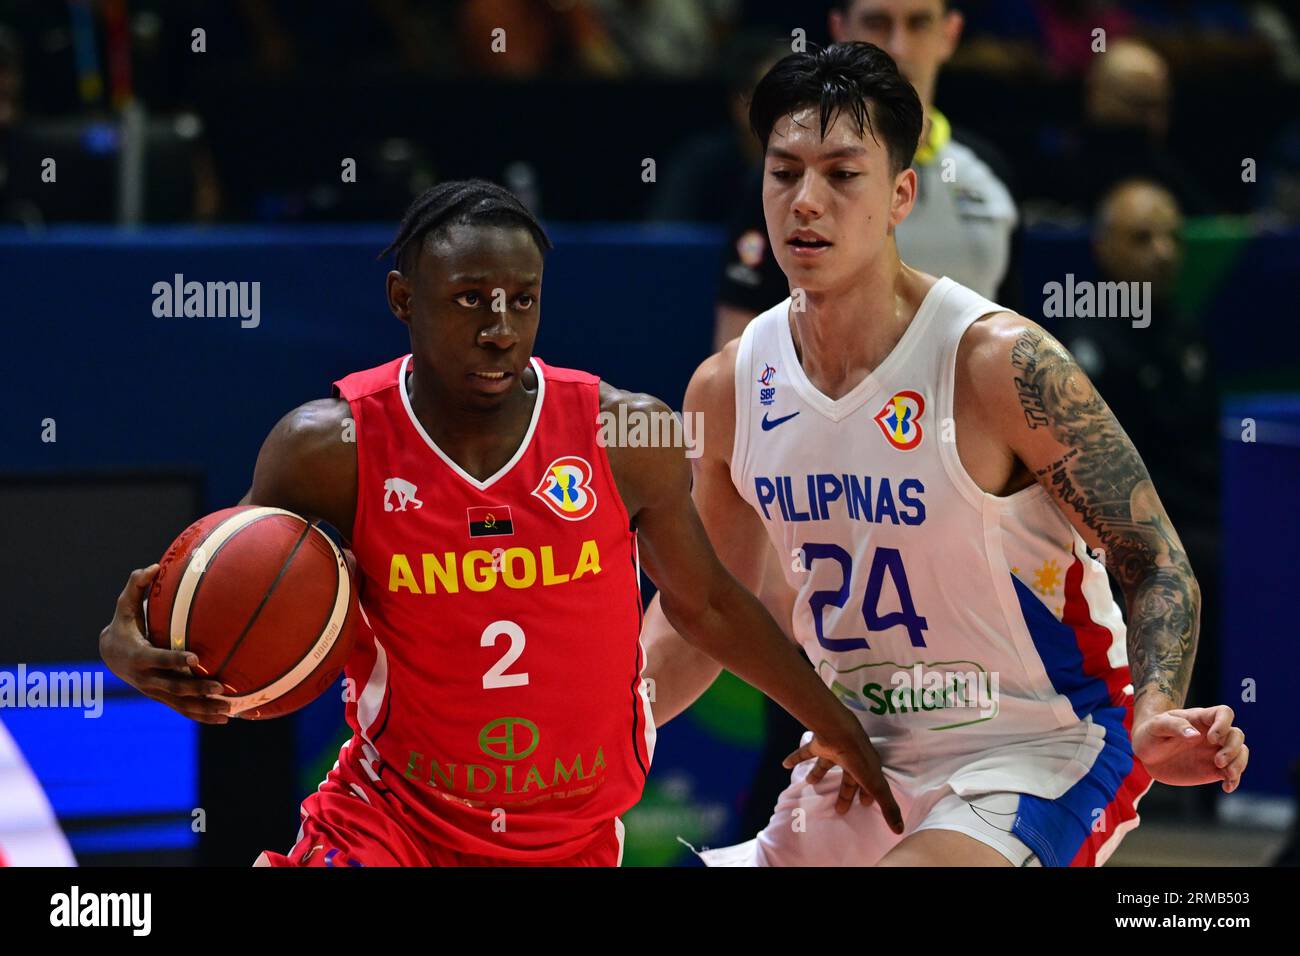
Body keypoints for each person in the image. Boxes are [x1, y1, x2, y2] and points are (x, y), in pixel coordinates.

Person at [97, 179, 900, 867]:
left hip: (572, 836)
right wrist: (123, 646)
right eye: (470, 299)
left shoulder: (625, 432)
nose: (500, 327)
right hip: (395, 823)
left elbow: (710, 604)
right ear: (403, 300)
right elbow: (225, 585)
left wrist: (833, 720)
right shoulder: (329, 447)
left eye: (523, 299)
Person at [643, 44, 1248, 867]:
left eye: (842, 175)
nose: (806, 202)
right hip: (862, 756)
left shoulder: (998, 363)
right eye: (784, 174)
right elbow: (701, 609)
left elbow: (1155, 556)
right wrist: (599, 725)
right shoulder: (728, 387)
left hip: (1043, 746)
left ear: (900, 195)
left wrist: (1156, 711)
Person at [714, 0, 1017, 351]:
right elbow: (739, 358)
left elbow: (1014, 339)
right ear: (840, 30)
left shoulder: (992, 175)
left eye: (919, 24)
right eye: (877, 23)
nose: (898, 48)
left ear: (950, 34)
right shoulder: (785, 182)